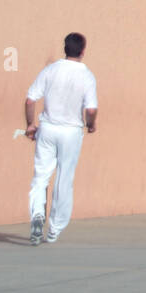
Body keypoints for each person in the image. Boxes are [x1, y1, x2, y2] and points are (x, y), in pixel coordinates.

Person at [24, 33, 98, 246]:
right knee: (64, 179)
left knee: (40, 176)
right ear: (83, 51)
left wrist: (30, 125)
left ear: (65, 48)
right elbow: (91, 109)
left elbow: (30, 100)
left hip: (47, 128)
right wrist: (91, 124)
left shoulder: (50, 70)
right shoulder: (87, 76)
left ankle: (37, 214)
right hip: (71, 133)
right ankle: (54, 229)